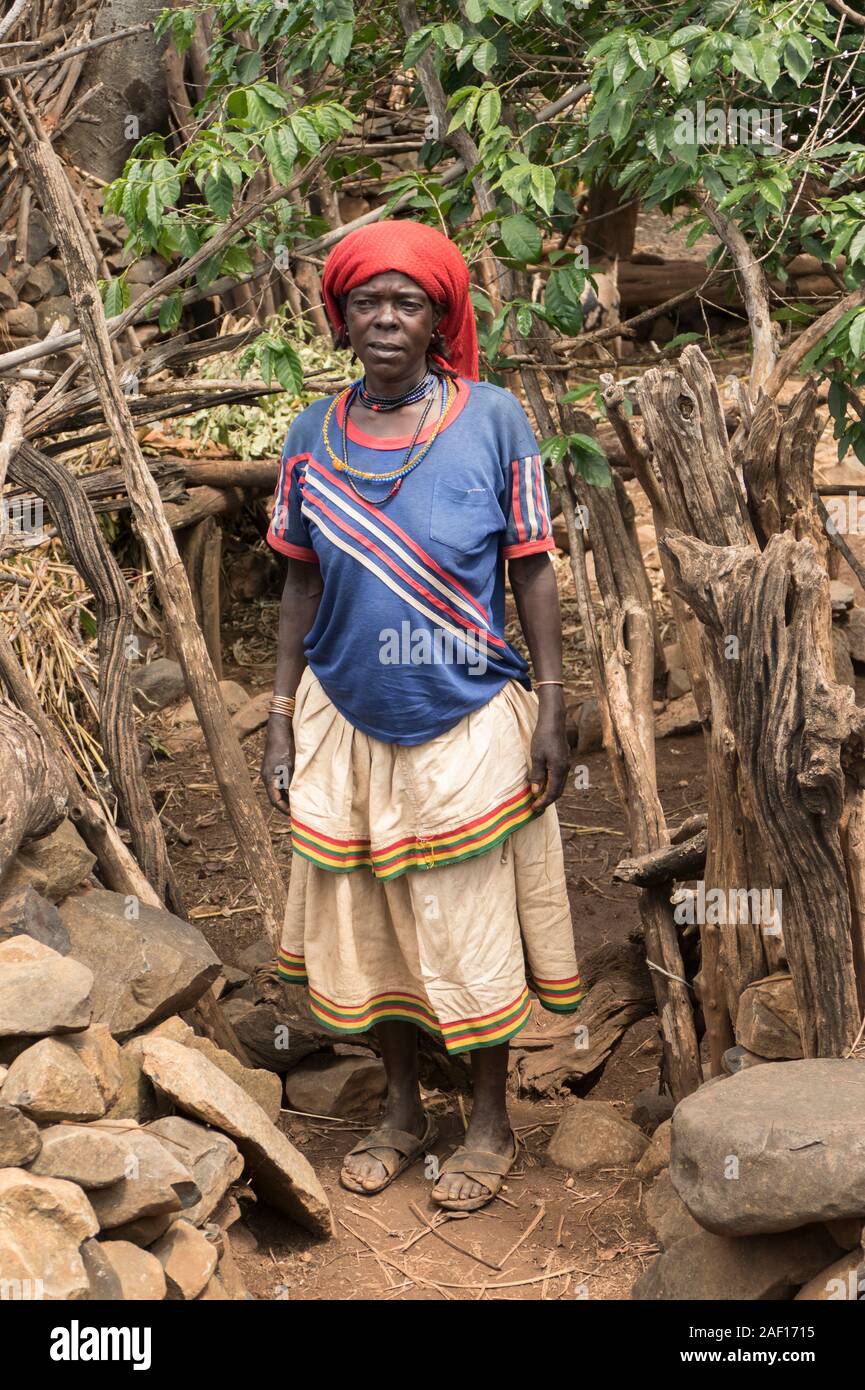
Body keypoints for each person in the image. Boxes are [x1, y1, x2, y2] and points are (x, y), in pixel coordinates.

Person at [261, 218, 583, 1212]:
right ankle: (401, 1109)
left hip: (470, 711)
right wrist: (277, 713)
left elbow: (530, 566)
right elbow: (298, 584)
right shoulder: (312, 436)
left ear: (440, 316)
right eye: (369, 301)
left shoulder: (494, 419)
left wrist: (552, 702)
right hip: (347, 715)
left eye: (408, 302)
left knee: (470, 918)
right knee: (370, 920)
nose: (387, 318)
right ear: (342, 316)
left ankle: (487, 1123)